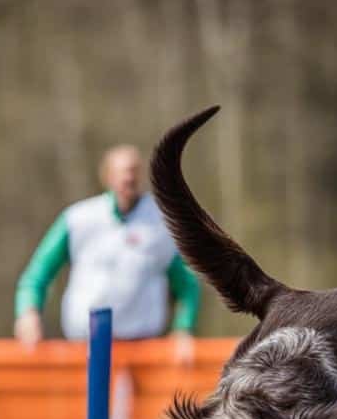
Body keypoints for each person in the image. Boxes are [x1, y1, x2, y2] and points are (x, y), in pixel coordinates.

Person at [14, 144, 200, 361]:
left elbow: (187, 284)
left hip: (141, 353)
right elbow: (37, 275)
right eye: (122, 172)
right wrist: (28, 313)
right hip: (83, 349)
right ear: (107, 176)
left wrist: (183, 329)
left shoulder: (163, 224)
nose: (128, 178)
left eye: (133, 171)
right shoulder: (78, 219)